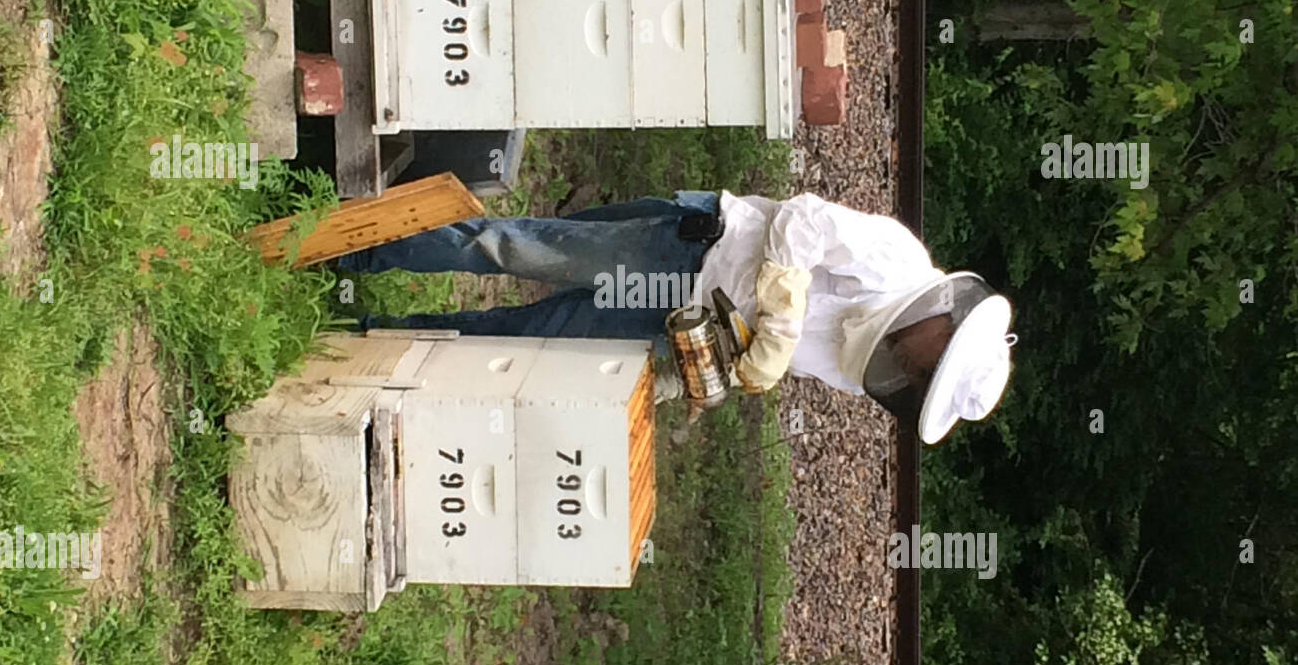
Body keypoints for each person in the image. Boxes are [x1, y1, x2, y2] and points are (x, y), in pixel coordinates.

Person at [336, 188, 1017, 444]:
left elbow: (754, 353)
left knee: (522, 342)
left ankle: (353, 346)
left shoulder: (869, 367)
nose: (913, 369)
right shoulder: (899, 262)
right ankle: (344, 247)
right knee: (508, 245)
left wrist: (694, 379)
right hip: (685, 249)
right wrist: (779, 321)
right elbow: (803, 221)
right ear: (945, 322)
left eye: (921, 379)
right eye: (930, 362)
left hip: (676, 328)